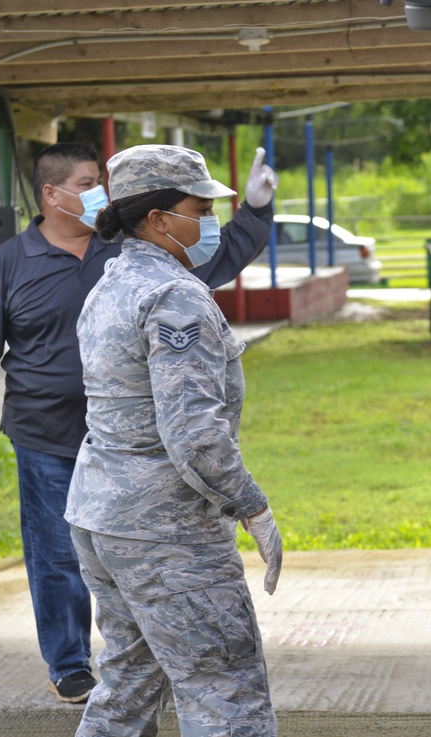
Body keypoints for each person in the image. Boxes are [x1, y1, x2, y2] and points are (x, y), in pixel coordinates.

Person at [0, 140, 279, 704]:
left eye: (101, 179)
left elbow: (211, 258)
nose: (96, 191)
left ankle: (113, 668)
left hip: (123, 443)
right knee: (55, 554)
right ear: (50, 194)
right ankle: (69, 661)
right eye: (83, 182)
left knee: (121, 597)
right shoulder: (9, 264)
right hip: (50, 435)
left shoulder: (118, 255)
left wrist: (256, 214)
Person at [65, 143, 282, 737]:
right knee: (224, 689)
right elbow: (194, 436)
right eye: (200, 209)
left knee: (128, 686)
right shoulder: (175, 295)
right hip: (166, 530)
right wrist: (253, 506)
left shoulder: (111, 282)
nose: (209, 222)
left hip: (102, 514)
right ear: (160, 219)